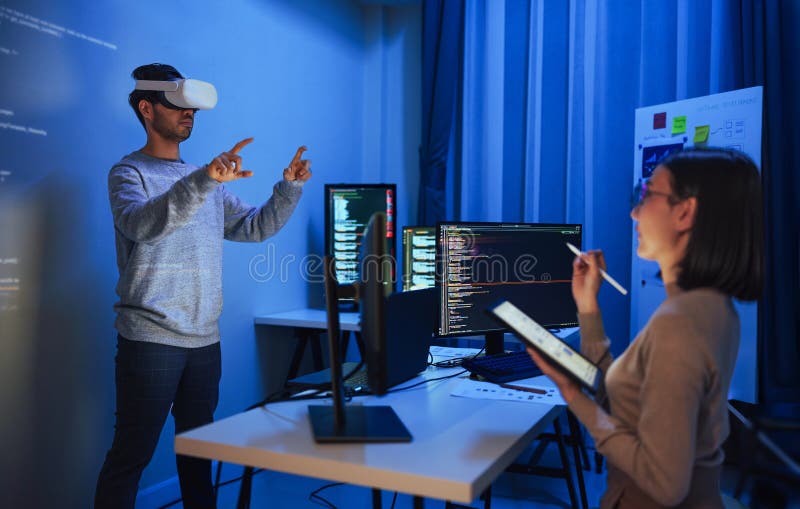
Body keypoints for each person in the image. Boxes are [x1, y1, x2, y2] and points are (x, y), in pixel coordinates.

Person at [95, 63, 311, 509]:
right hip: (151, 339)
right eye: (178, 107)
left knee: (198, 453)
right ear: (146, 108)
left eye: (192, 109)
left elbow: (254, 227)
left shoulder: (208, 180)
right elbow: (142, 225)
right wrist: (204, 179)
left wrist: (287, 189)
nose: (189, 115)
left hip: (204, 340)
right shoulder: (128, 173)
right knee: (131, 455)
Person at [528, 147, 763, 508]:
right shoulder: (714, 307)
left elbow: (663, 484)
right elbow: (626, 405)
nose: (634, 212)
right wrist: (588, 306)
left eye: (648, 195)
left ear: (685, 212)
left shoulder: (679, 325)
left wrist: (572, 393)